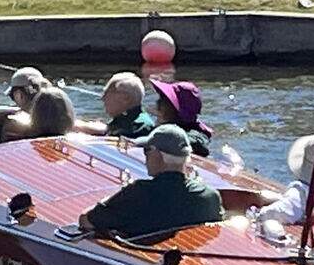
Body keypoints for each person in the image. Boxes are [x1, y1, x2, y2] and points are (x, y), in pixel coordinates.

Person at [80, 124, 224, 239]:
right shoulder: (210, 197)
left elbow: (87, 220)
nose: (145, 158)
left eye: (146, 151)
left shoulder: (138, 192)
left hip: (138, 264)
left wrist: (108, 199)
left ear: (157, 154)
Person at [151, 80, 213, 157]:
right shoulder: (161, 129)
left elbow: (197, 143)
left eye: (162, 102)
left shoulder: (195, 137)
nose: (157, 107)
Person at [98, 72, 155, 139]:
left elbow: (118, 139)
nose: (102, 98)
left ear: (125, 98)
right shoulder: (121, 119)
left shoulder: (140, 127)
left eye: (106, 93)